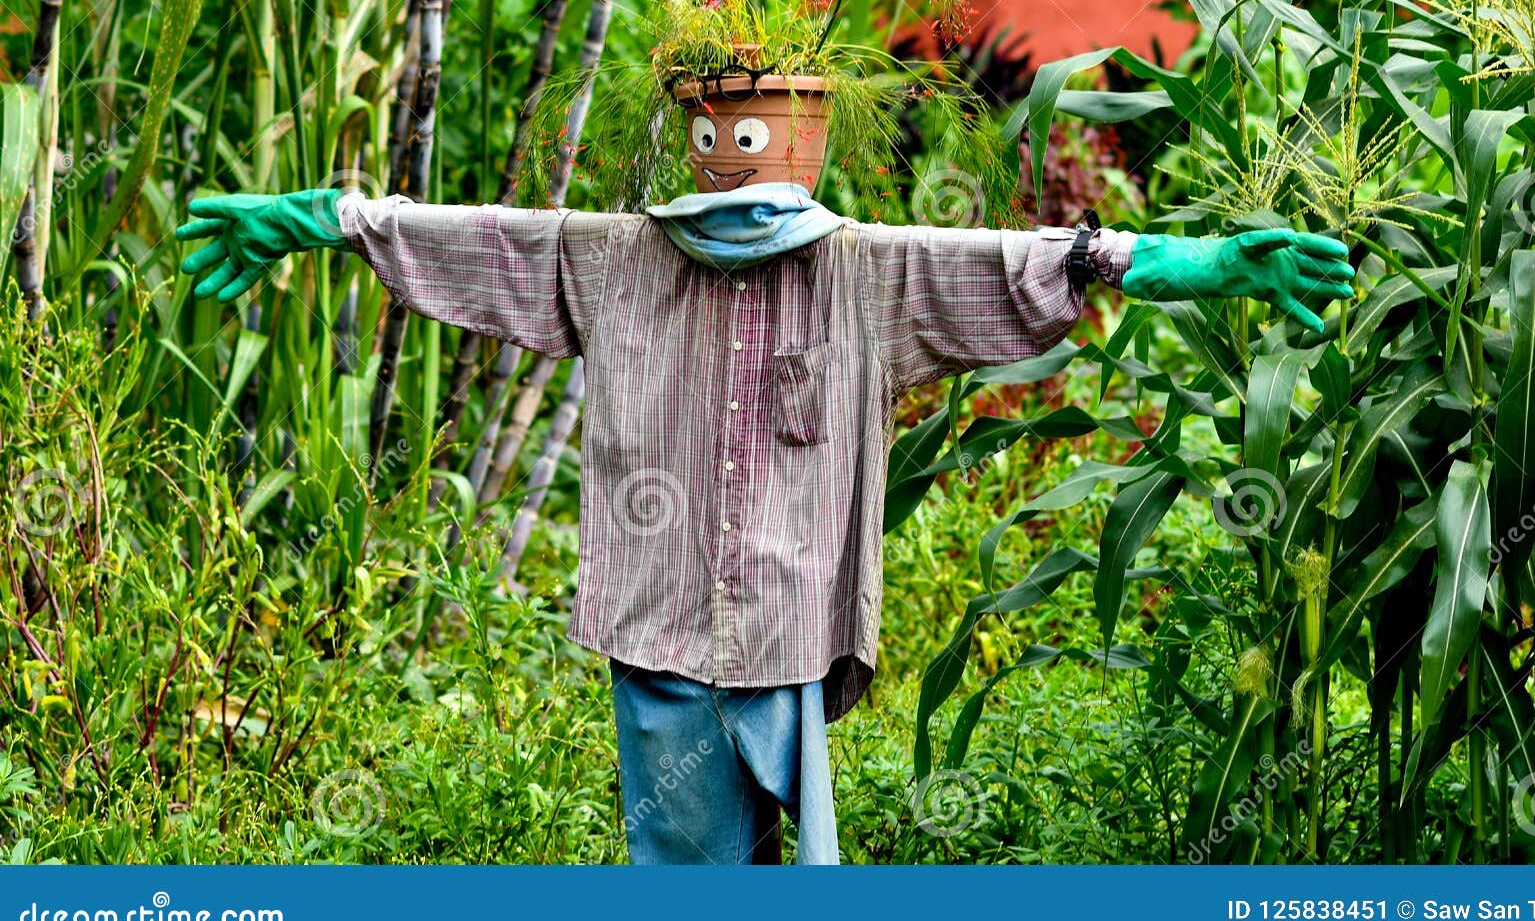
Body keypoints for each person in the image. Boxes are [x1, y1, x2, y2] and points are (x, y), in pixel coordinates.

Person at [177, 137, 1352, 865]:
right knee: (685, 866)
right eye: (715, 129)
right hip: (660, 631)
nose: (734, 157)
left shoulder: (865, 268)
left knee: (808, 875)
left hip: (789, 632)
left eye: (757, 129)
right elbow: (485, 243)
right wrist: (318, 220)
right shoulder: (615, 257)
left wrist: (1188, 265)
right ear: (686, 136)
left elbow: (1016, 259)